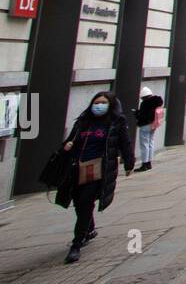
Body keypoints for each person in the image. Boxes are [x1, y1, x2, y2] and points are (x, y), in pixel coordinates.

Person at [56, 91, 134, 264]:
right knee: (79, 203)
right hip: (76, 168)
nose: (99, 105)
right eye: (96, 102)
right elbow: (70, 141)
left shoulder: (116, 122)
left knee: (85, 202)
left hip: (97, 170)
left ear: (111, 105)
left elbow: (125, 143)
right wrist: (67, 146)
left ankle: (76, 244)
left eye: (103, 102)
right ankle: (89, 228)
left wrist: (129, 163)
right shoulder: (83, 121)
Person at [135, 86, 163, 171]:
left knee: (144, 145)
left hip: (145, 125)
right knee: (151, 143)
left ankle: (144, 163)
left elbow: (142, 116)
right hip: (153, 124)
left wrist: (137, 114)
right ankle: (149, 162)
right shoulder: (157, 102)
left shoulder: (145, 103)